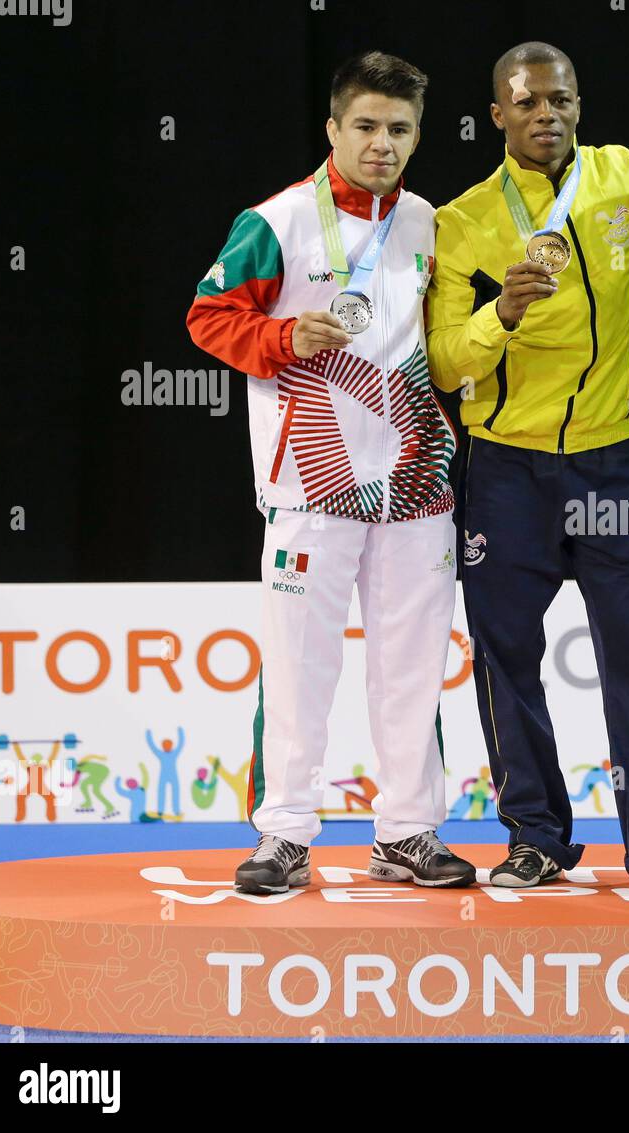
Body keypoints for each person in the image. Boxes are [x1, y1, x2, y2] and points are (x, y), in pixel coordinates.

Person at [426, 41, 629, 890]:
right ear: (497, 116)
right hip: (506, 470)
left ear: (579, 105)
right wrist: (500, 316)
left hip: (614, 461)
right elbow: (445, 363)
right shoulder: (463, 220)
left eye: (558, 99)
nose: (544, 114)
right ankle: (536, 835)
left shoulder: (625, 177)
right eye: (525, 103)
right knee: (505, 657)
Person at [187, 50, 474, 894]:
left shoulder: (426, 220)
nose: (382, 144)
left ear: (417, 136)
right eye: (366, 127)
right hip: (311, 486)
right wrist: (283, 339)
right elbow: (208, 317)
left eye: (399, 130)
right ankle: (283, 835)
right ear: (333, 129)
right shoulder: (276, 222)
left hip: (416, 482)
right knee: (300, 665)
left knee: (416, 663)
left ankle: (408, 832)